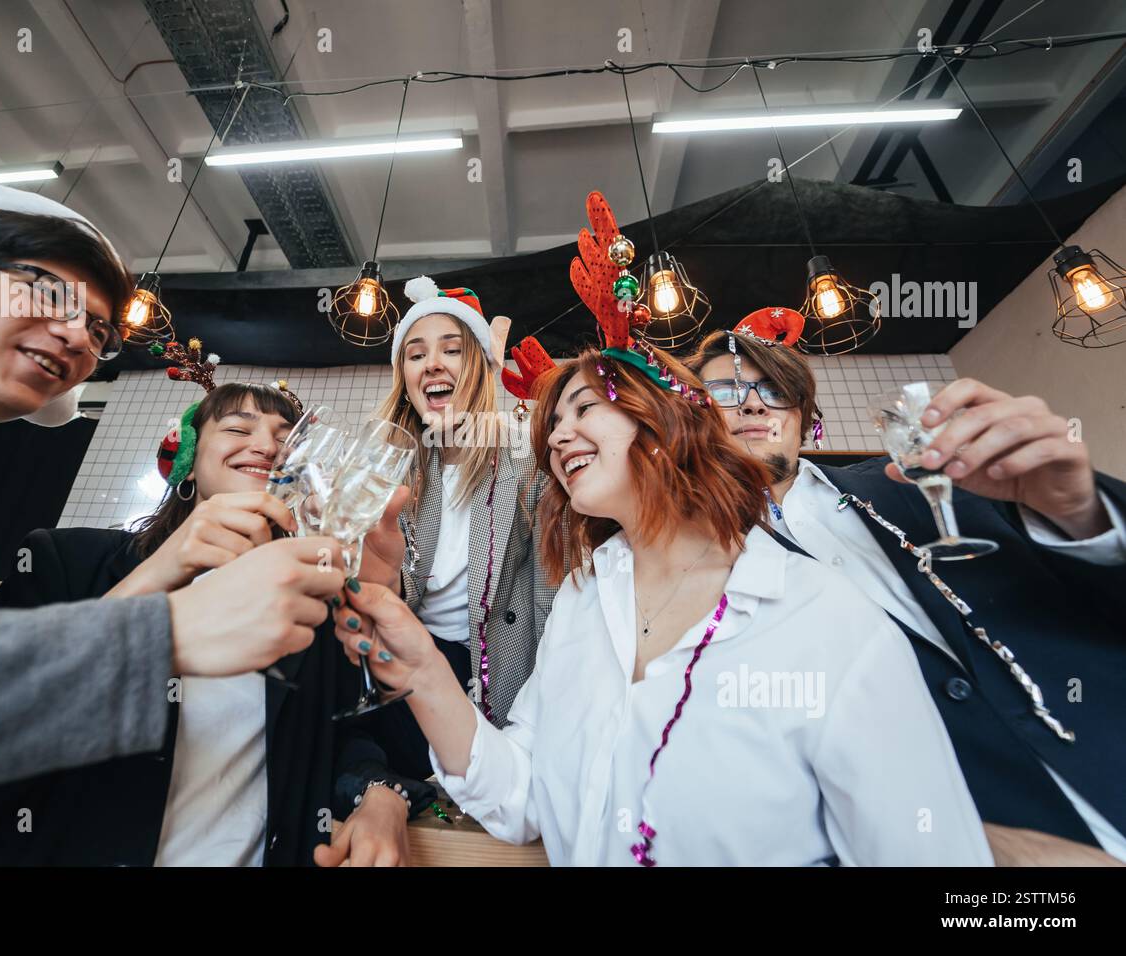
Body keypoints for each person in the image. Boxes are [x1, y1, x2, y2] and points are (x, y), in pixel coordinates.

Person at [324, 192, 992, 866]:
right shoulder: (587, 605)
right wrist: (424, 667)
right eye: (552, 422)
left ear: (662, 424)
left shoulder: (826, 618)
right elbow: (525, 793)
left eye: (581, 408)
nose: (558, 436)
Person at [0, 186, 344, 865]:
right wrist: (159, 632)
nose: (78, 335)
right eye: (45, 292)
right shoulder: (58, 556)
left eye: (99, 330)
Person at [0, 381, 425, 867]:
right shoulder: (68, 562)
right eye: (238, 428)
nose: (267, 445)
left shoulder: (306, 604)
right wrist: (156, 582)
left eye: (287, 436)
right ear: (188, 466)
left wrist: (381, 794)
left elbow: (366, 736)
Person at [687, 315, 1126, 865]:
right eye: (725, 391)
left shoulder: (937, 480)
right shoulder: (687, 568)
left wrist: (1084, 512)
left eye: (775, 390)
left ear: (804, 417)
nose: (753, 405)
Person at [312, 278, 557, 867]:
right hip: (404, 661)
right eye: (415, 354)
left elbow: (554, 590)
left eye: (450, 348)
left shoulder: (522, 455)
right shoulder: (386, 464)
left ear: (476, 364)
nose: (431, 364)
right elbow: (368, 592)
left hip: (496, 666)